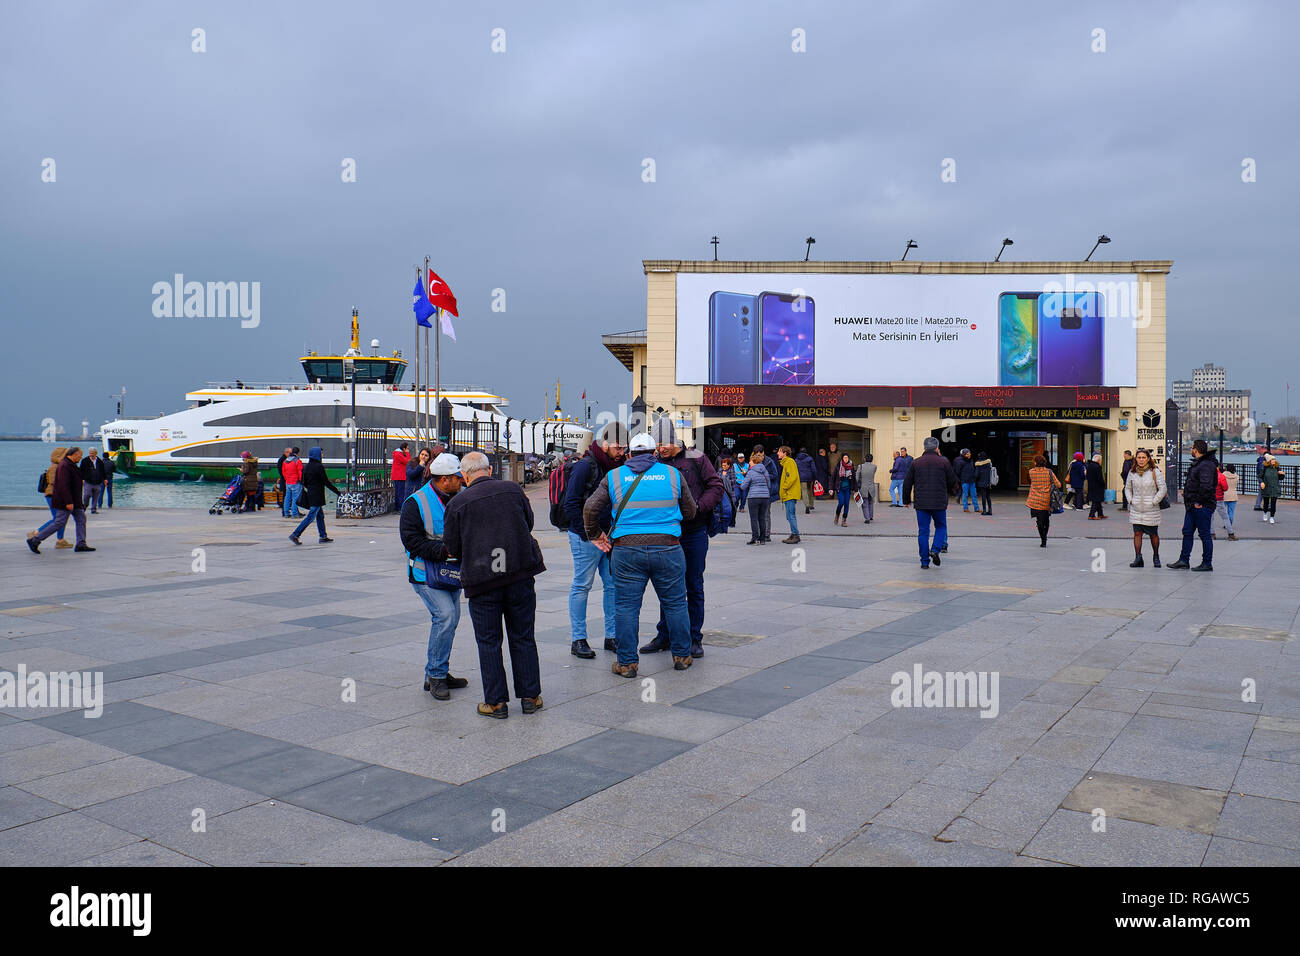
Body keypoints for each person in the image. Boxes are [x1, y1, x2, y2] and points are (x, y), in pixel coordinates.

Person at [584, 433, 697, 678]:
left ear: (629, 454)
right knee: (676, 603)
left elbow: (591, 507)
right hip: (668, 548)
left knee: (625, 607)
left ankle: (627, 664)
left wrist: (595, 534)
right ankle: (681, 656)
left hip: (626, 551)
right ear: (653, 453)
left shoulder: (614, 476)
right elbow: (690, 512)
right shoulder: (673, 475)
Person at [444, 451, 546, 718]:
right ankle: (530, 696)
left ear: (465, 476)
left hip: (482, 581)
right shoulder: (513, 490)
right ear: (489, 471)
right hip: (519, 574)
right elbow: (529, 522)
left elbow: (452, 547)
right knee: (523, 636)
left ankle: (497, 703)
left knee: (489, 641)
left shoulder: (458, 503)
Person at [642, 418, 722, 659]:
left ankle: (694, 638)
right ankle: (664, 635)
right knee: (666, 585)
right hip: (666, 533)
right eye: (656, 443)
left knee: (693, 585)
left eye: (664, 442)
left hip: (694, 532)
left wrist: (699, 507)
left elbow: (715, 485)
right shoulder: (654, 462)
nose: (660, 448)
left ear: (675, 439)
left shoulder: (697, 458)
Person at [400, 452, 471, 701]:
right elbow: (411, 540)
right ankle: (437, 675)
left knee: (450, 620)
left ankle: (437, 670)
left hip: (452, 573)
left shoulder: (460, 497)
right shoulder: (415, 502)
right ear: (444, 480)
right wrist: (444, 551)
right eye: (457, 477)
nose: (462, 480)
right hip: (425, 573)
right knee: (445, 616)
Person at [561, 421, 628, 660]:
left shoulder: (617, 467)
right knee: (582, 585)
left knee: (612, 586)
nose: (622, 453)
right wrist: (590, 534)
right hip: (585, 537)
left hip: (608, 537)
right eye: (618, 448)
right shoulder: (585, 466)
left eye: (625, 449)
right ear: (606, 444)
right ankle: (578, 639)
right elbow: (570, 504)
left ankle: (611, 636)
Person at [903, 437, 958, 568]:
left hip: (921, 504)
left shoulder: (916, 463)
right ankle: (935, 549)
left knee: (923, 531)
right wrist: (955, 493)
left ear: (924, 448)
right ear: (937, 448)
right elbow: (952, 481)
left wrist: (906, 500)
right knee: (940, 527)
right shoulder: (943, 462)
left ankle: (924, 562)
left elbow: (907, 483)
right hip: (939, 503)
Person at [27, 447, 93, 553]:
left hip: (75, 501)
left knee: (81, 519)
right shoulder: (64, 466)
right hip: (67, 501)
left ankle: (81, 543)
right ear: (74, 454)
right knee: (59, 522)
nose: (80, 457)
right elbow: (63, 486)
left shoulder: (71, 465)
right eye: (80, 455)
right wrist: (68, 502)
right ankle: (35, 540)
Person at [1168, 439, 1217, 572]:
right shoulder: (1201, 464)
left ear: (1196, 449)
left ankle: (1207, 562)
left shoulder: (1205, 465)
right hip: (1192, 505)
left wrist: (1199, 502)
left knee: (1204, 534)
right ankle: (1184, 560)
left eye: (1192, 447)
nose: (1191, 449)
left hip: (1201, 506)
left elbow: (1206, 486)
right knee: (1187, 532)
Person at [1124, 448, 1166, 567]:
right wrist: (1131, 500)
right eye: (1139, 457)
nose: (1141, 460)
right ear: (1135, 459)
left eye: (1143, 457)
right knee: (1137, 533)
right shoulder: (1132, 473)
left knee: (1153, 534)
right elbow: (1127, 488)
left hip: (1151, 509)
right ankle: (1138, 557)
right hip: (1136, 508)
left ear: (1148, 459)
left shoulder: (1154, 471)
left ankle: (1156, 556)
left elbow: (1163, 488)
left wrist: (1154, 501)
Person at [289, 447, 338, 545]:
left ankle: (323, 536)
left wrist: (310, 488)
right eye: (321, 453)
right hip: (317, 495)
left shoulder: (306, 466)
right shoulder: (319, 466)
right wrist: (337, 492)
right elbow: (326, 482)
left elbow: (303, 481)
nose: (322, 455)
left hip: (311, 494)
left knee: (320, 515)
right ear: (317, 454)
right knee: (310, 517)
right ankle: (295, 534)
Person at [33, 446, 72, 549]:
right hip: (53, 495)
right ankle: (37, 533)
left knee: (59, 519)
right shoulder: (55, 467)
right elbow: (55, 482)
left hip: (54, 495)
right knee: (58, 519)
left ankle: (60, 540)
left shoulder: (58, 466)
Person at [1025, 454, 1061, 547]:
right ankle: (1044, 537)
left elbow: (1029, 482)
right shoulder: (1049, 472)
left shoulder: (1030, 472)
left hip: (1034, 500)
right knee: (1046, 519)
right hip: (1046, 501)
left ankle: (1043, 539)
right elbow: (1059, 485)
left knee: (1039, 520)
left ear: (1035, 463)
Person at [739, 448, 772, 543]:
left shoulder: (751, 472)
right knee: (762, 518)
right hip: (765, 497)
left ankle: (755, 538)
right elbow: (769, 485)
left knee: (754, 518)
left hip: (753, 497)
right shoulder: (765, 471)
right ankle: (762, 539)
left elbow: (743, 486)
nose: (749, 462)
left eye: (750, 461)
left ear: (754, 462)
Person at [776, 446, 802, 544]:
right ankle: (793, 533)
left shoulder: (790, 462)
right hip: (788, 493)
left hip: (790, 493)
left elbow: (791, 477)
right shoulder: (786, 462)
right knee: (789, 515)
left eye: (779, 451)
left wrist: (784, 487)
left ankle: (796, 535)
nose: (777, 453)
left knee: (791, 515)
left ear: (785, 453)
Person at [79, 447, 107, 514]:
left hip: (98, 482)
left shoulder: (100, 461)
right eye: (90, 453)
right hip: (88, 481)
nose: (91, 454)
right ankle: (84, 507)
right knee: (87, 495)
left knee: (96, 496)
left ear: (96, 453)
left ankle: (93, 509)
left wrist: (105, 479)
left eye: (92, 453)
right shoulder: (85, 461)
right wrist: (82, 479)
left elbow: (103, 471)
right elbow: (81, 471)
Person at [832, 453, 856, 526]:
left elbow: (854, 479)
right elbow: (833, 478)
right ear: (842, 458)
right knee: (841, 502)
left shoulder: (851, 466)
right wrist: (831, 488)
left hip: (847, 489)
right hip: (840, 488)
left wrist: (855, 489)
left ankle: (844, 521)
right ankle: (837, 515)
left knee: (846, 504)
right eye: (844, 458)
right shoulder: (838, 466)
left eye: (847, 458)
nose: (846, 459)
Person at [1218, 463, 1239, 541]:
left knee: (1224, 512)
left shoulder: (1223, 475)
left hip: (1224, 495)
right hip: (1233, 495)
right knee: (1231, 512)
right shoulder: (1236, 476)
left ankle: (1226, 525)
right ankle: (1229, 524)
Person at [281, 447, 303, 518]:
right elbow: (300, 472)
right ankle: (295, 513)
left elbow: (283, 472)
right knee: (295, 498)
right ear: (298, 453)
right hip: (296, 482)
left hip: (288, 482)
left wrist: (287, 479)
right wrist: (302, 481)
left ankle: (286, 513)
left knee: (287, 498)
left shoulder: (285, 461)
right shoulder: (297, 461)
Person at [718, 455, 738, 531]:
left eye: (725, 465)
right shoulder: (720, 471)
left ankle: (732, 522)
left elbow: (733, 482)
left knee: (732, 507)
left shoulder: (731, 471)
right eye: (722, 465)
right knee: (721, 507)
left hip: (730, 492)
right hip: (721, 492)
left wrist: (725, 480)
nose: (723, 467)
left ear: (729, 465)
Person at [855, 453, 877, 523]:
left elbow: (857, 478)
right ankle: (871, 516)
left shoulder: (860, 466)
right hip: (871, 487)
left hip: (863, 487)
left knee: (864, 503)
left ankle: (867, 518)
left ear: (865, 459)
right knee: (870, 502)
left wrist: (855, 486)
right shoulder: (874, 467)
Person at [953, 448, 977, 512]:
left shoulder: (971, 461)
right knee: (965, 494)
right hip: (964, 481)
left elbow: (973, 469)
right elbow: (957, 472)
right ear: (964, 455)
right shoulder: (960, 462)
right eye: (967, 454)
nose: (969, 455)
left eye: (969, 453)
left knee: (974, 494)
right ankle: (966, 508)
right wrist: (960, 479)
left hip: (972, 480)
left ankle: (976, 508)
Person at [1259, 455, 1281, 525]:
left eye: (1274, 459)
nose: (1274, 461)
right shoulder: (1264, 468)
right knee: (1266, 503)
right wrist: (1261, 482)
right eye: (1272, 460)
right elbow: (1260, 477)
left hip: (1275, 488)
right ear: (1269, 461)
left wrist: (1282, 474)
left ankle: (1272, 517)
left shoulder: (1277, 468)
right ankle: (1265, 513)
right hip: (1267, 488)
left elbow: (1280, 478)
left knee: (1273, 503)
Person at [1085, 453, 1107, 519]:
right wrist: (1103, 484)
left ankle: (1100, 514)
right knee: (1096, 500)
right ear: (1098, 460)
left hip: (1091, 485)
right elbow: (1100, 478)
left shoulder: (1089, 465)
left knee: (1098, 500)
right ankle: (1091, 515)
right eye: (1101, 460)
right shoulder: (1097, 467)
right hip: (1097, 486)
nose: (1101, 461)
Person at [391, 442, 411, 513]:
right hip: (399, 476)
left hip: (398, 475)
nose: (408, 450)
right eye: (407, 448)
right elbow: (407, 461)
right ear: (404, 448)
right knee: (400, 493)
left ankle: (397, 508)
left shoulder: (397, 453)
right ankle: (400, 508)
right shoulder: (399, 454)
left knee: (398, 492)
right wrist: (408, 454)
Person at [795, 448, 816, 513]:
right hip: (809, 477)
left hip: (801, 477)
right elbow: (813, 469)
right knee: (810, 490)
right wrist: (815, 477)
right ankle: (811, 505)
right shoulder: (810, 458)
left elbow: (795, 469)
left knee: (804, 491)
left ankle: (806, 505)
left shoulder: (796, 460)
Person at [973, 451, 993, 515]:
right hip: (988, 482)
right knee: (988, 496)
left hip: (981, 482)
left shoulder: (978, 465)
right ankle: (990, 510)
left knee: (983, 497)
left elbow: (976, 475)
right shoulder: (989, 463)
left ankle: (984, 510)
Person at [276, 446, 291, 515]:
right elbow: (282, 471)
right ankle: (285, 511)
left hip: (285, 480)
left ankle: (286, 511)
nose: (291, 454)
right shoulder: (283, 460)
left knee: (287, 496)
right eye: (290, 453)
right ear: (286, 452)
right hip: (285, 480)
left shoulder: (284, 459)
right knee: (286, 496)